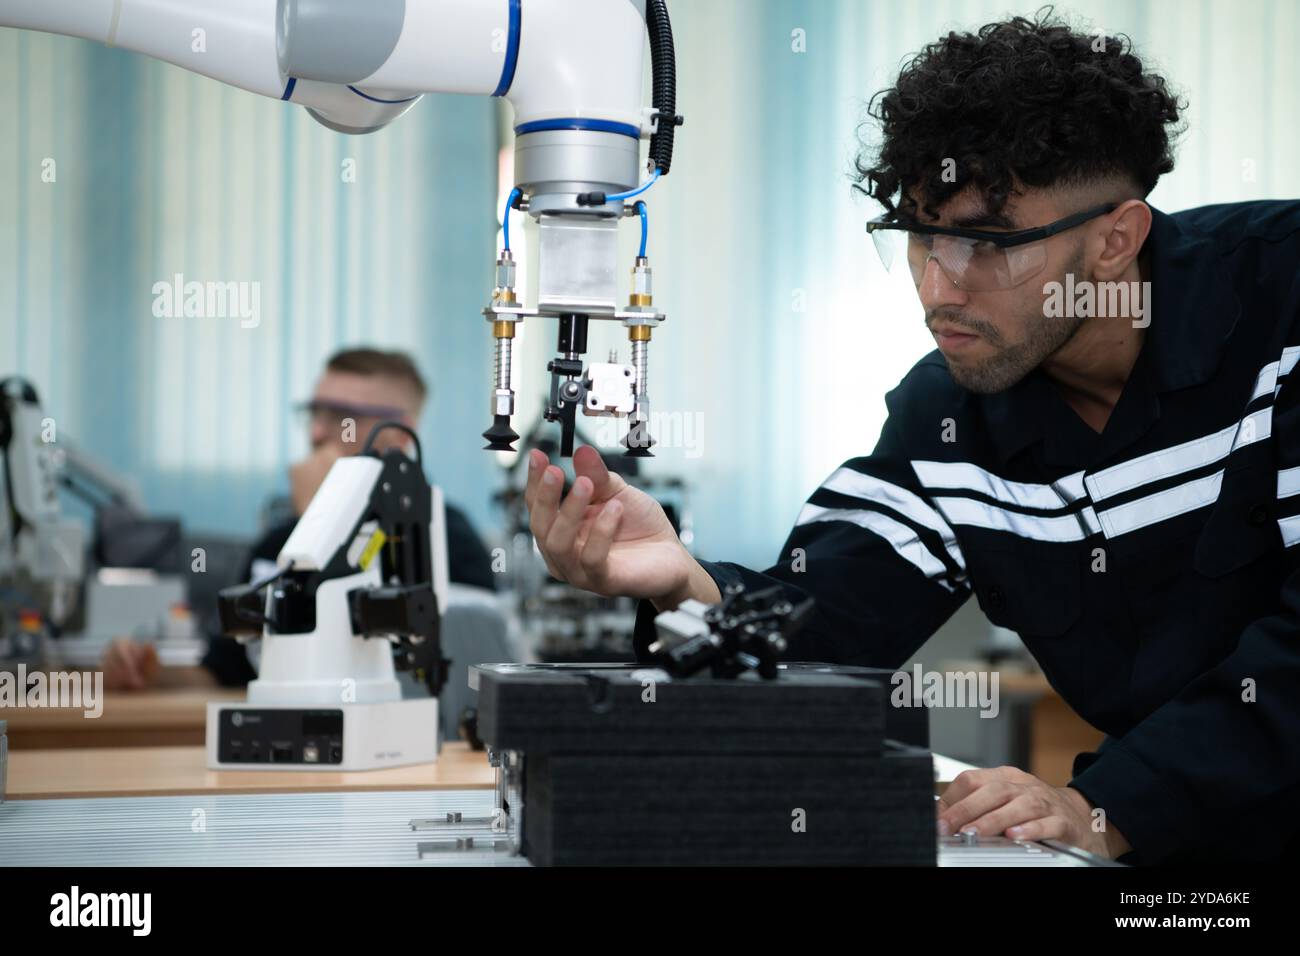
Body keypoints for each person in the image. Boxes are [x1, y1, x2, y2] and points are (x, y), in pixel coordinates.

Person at [524, 12, 1300, 865]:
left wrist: (1107, 805)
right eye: (922, 236)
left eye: (986, 244)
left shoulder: (1285, 304)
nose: (938, 287)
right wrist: (684, 580)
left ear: (1117, 238)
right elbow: (828, 619)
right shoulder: (953, 412)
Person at [104, 347, 495, 689]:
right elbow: (227, 671)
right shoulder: (278, 542)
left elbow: (426, 670)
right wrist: (148, 673)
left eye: (343, 416)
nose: (318, 432)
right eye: (314, 413)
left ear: (402, 434)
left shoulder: (448, 539)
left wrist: (321, 523)